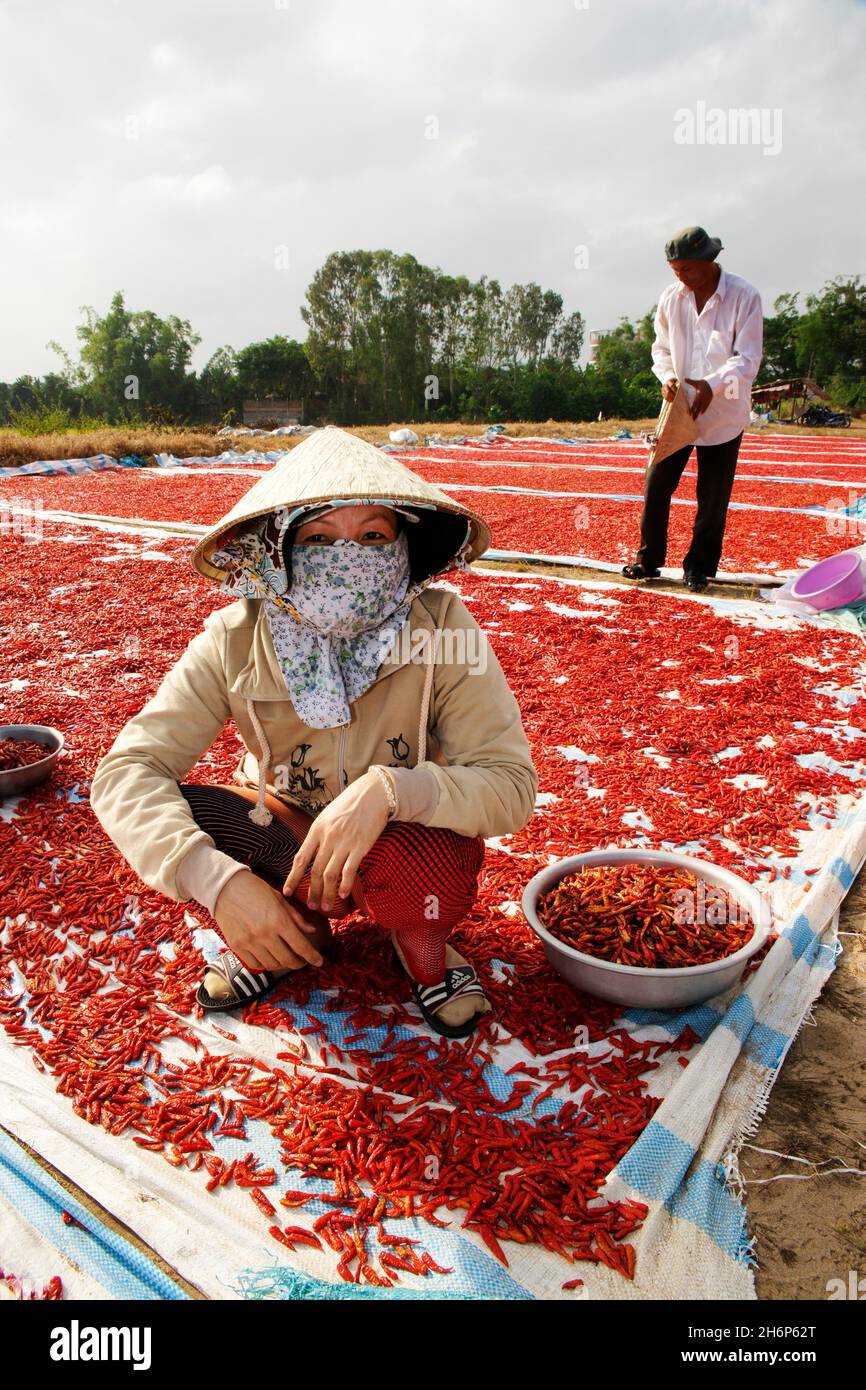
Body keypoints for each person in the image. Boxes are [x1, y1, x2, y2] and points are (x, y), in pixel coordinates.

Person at [89, 427, 538, 1039]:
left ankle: (418, 934)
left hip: (396, 836)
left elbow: (509, 784)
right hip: (284, 830)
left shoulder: (445, 629)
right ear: (280, 553)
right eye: (319, 538)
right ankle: (293, 923)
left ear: (404, 548)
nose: (347, 558)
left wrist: (389, 790)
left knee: (430, 863)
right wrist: (217, 883)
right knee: (193, 816)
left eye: (374, 536)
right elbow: (128, 771)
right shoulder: (235, 637)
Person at [622, 225, 763, 593]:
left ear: (709, 261)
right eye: (676, 272)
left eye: (688, 270)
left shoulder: (744, 296)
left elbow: (748, 358)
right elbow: (661, 348)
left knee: (712, 495)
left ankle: (699, 567)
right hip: (679, 408)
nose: (682, 278)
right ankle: (648, 560)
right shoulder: (672, 298)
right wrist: (668, 376)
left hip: (724, 413)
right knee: (657, 485)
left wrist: (713, 384)